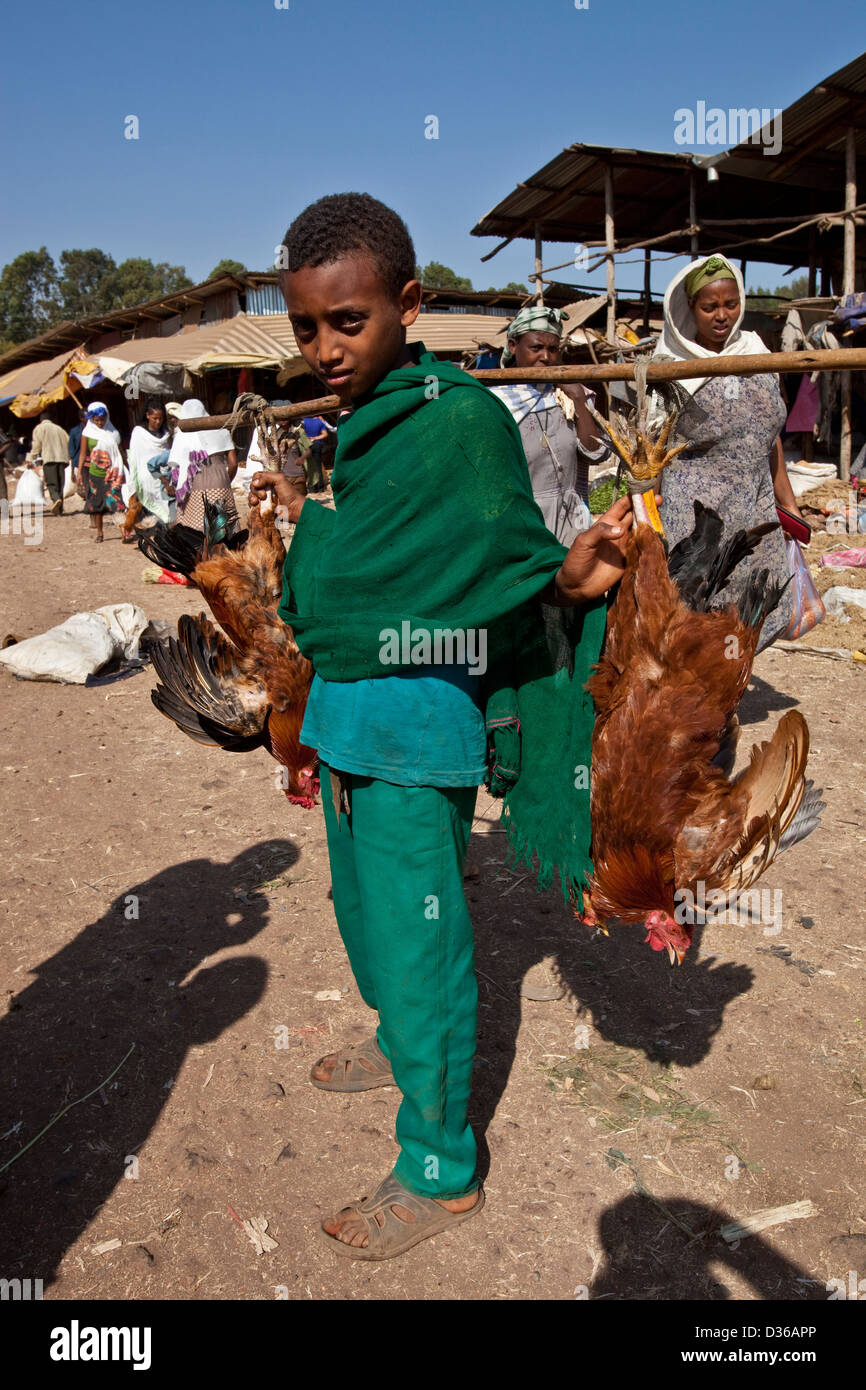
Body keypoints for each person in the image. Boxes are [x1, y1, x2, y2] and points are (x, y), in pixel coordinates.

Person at [250, 192, 635, 1261]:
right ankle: (397, 1043)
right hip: (342, 718)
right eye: (306, 329)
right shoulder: (353, 432)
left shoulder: (458, 420)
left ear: (407, 305)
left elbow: (507, 563)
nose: (325, 348)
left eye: (348, 321)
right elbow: (341, 572)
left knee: (420, 946)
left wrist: (568, 574)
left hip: (421, 730)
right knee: (363, 916)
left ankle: (438, 1163)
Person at [652, 253, 804, 649]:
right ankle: (695, 700)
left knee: (751, 606)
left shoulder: (758, 351)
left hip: (755, 504)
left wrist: (789, 503)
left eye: (730, 304)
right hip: (698, 513)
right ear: (690, 308)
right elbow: (651, 446)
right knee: (698, 609)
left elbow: (769, 440)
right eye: (710, 307)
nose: (722, 315)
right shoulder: (672, 364)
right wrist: (648, 508)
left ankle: (728, 692)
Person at [490, 306, 610, 545]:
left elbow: (596, 453)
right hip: (520, 520)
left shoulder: (568, 396)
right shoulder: (496, 401)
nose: (545, 357)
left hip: (570, 521)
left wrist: (578, 399)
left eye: (553, 349)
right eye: (536, 348)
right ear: (513, 346)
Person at [167, 398, 239, 535]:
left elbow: (178, 466)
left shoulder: (182, 435)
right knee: (223, 524)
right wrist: (225, 481)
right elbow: (233, 463)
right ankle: (228, 555)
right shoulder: (221, 430)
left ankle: (201, 554)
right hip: (221, 481)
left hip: (195, 484)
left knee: (197, 526)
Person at [123, 401, 173, 539]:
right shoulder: (139, 433)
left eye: (160, 418)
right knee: (146, 511)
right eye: (154, 418)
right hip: (145, 478)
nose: (158, 421)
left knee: (165, 510)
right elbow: (134, 458)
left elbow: (168, 453)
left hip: (162, 478)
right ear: (147, 416)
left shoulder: (165, 434)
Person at [76, 402, 124, 542]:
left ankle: (123, 531)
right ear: (91, 420)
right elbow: (83, 454)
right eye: (96, 420)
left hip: (113, 472)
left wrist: (126, 468)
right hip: (95, 473)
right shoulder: (87, 434)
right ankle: (100, 533)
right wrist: (79, 472)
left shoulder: (113, 433)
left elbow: (120, 452)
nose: (100, 423)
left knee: (117, 503)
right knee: (97, 505)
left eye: (102, 420)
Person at [27, 411, 70, 515]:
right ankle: (60, 510)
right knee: (60, 484)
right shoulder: (60, 429)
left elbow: (36, 445)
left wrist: (30, 459)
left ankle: (56, 500)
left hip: (49, 459)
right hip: (62, 459)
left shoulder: (39, 428)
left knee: (52, 483)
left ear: (41, 420)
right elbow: (68, 441)